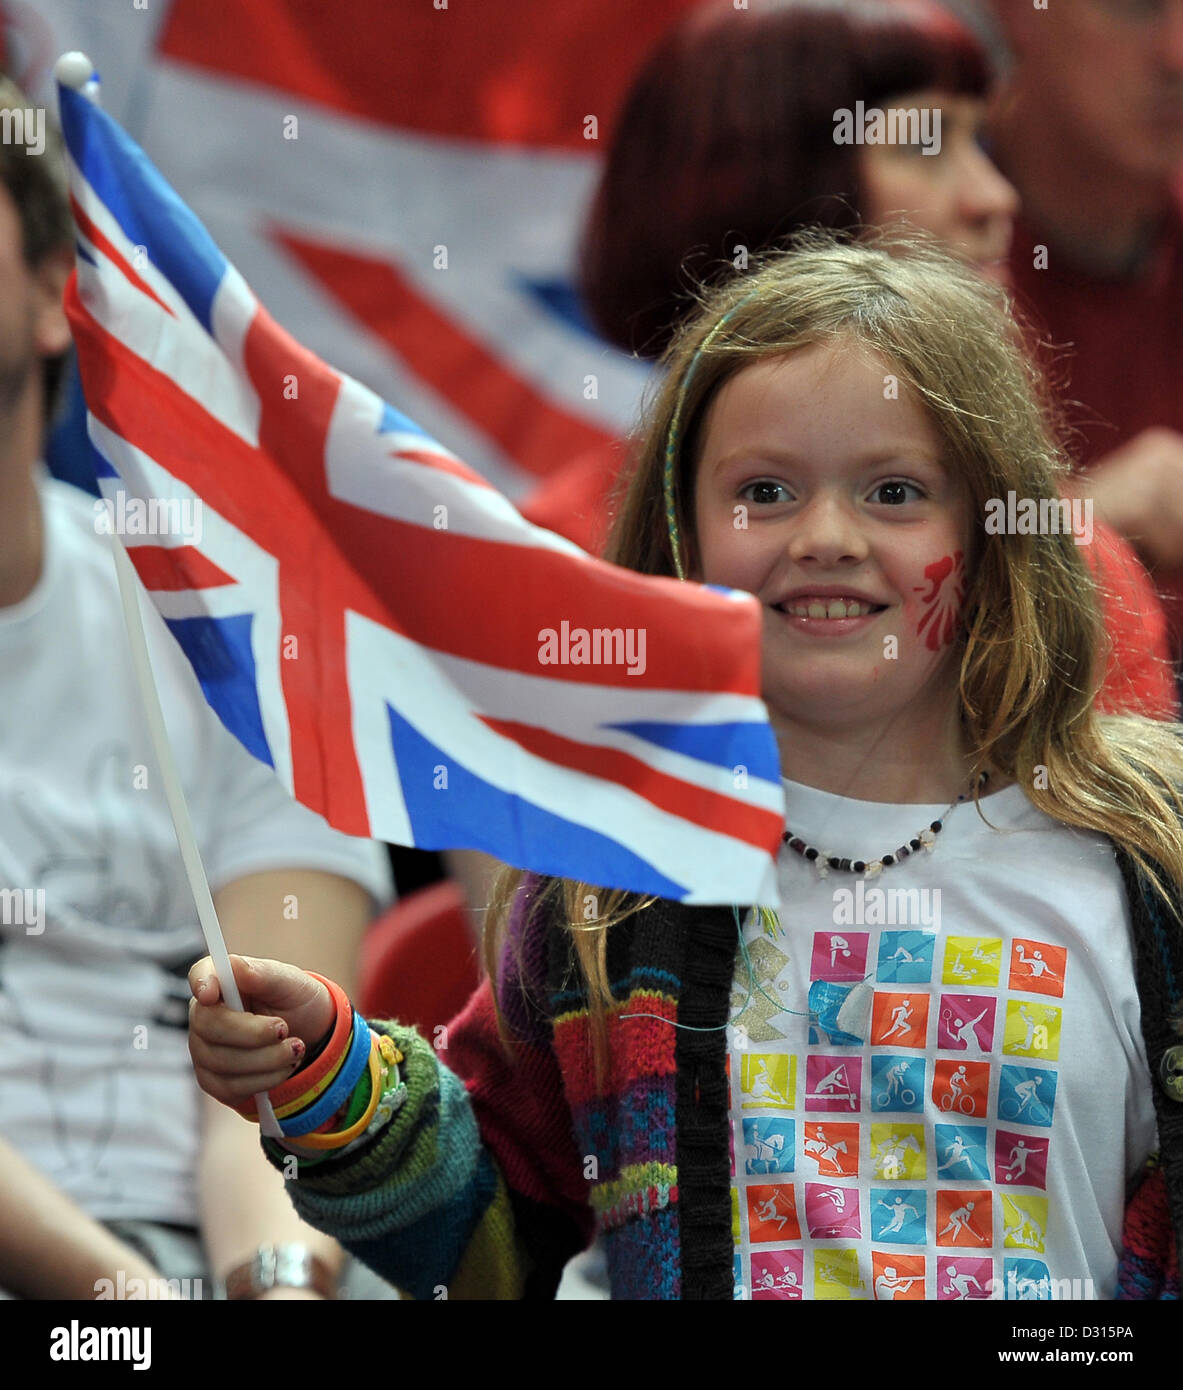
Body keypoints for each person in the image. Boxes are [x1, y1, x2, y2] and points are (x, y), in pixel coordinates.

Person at [190, 234, 1183, 1300]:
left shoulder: (1144, 859)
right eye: (764, 491)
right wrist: (335, 1080)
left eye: (895, 492)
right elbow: (488, 1232)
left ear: (994, 534)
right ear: (683, 537)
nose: (827, 536)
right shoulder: (617, 875)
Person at [0, 75, 393, 1302]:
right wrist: (133, 1313)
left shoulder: (224, 623)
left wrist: (270, 1283)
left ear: (53, 287)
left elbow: (278, 1086)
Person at [522, 0, 1175, 719]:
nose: (993, 198)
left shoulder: (1072, 559)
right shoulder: (556, 565)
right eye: (925, 148)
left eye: (977, 145)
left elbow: (1124, 827)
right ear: (769, 188)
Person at [984, 0, 1183, 647]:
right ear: (1017, 14)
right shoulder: (909, 242)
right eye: (1135, 8)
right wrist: (1071, 529)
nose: (1176, 56)